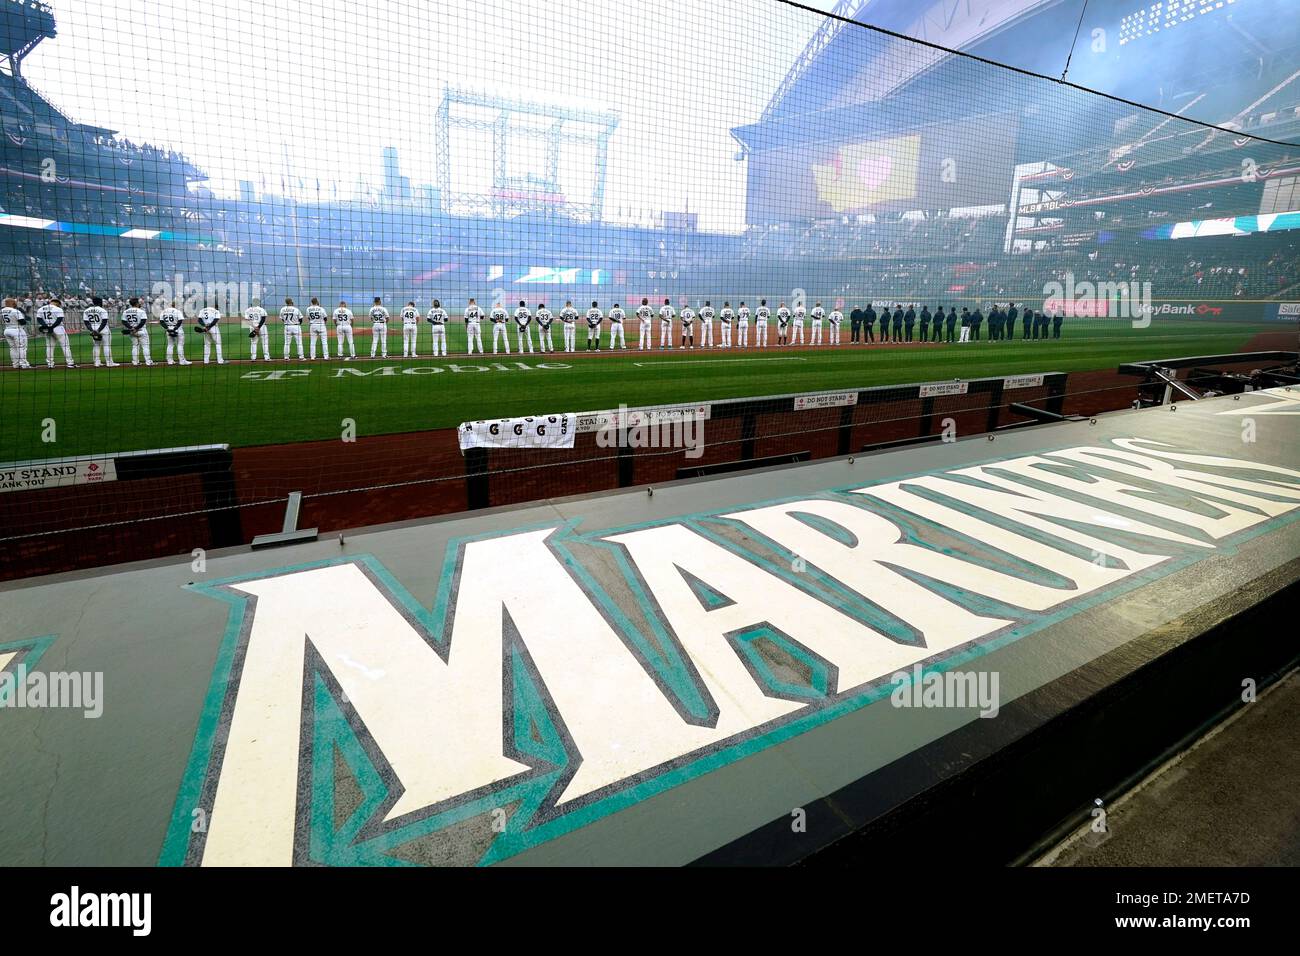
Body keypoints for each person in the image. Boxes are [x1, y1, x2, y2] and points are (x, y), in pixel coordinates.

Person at [36, 298, 76, 368]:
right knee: (65, 346)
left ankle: (50, 364)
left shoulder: (41, 309)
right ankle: (70, 363)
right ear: (57, 303)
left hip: (47, 329)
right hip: (58, 328)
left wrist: (46, 326)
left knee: (49, 347)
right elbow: (59, 319)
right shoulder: (58, 309)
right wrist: (52, 326)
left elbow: (39, 319)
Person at [82, 296, 115, 367]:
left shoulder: (86, 310)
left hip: (93, 329)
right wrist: (98, 330)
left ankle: (97, 363)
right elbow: (104, 321)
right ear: (100, 303)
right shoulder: (102, 310)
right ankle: (109, 363)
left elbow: (86, 322)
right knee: (106, 345)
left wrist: (92, 330)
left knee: (96, 346)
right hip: (103, 329)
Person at [121, 296, 154, 366]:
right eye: (138, 302)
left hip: (132, 331)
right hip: (141, 330)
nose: (139, 304)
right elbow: (143, 321)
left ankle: (135, 362)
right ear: (136, 303)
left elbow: (124, 321)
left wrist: (131, 328)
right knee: (145, 346)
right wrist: (136, 328)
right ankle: (148, 362)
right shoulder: (141, 311)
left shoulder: (126, 311)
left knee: (135, 346)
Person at [2, 297, 31, 368]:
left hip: (7, 330)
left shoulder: (1, 311)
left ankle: (15, 364)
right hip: (17, 330)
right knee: (22, 347)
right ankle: (23, 364)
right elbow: (22, 322)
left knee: (12, 348)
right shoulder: (15, 311)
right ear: (12, 303)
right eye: (14, 302)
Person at [158, 299, 190, 365]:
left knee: (170, 345)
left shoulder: (163, 311)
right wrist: (175, 328)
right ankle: (182, 361)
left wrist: (168, 329)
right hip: (178, 329)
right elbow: (180, 321)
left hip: (168, 329)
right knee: (180, 345)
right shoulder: (177, 311)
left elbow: (161, 322)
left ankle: (170, 361)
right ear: (175, 305)